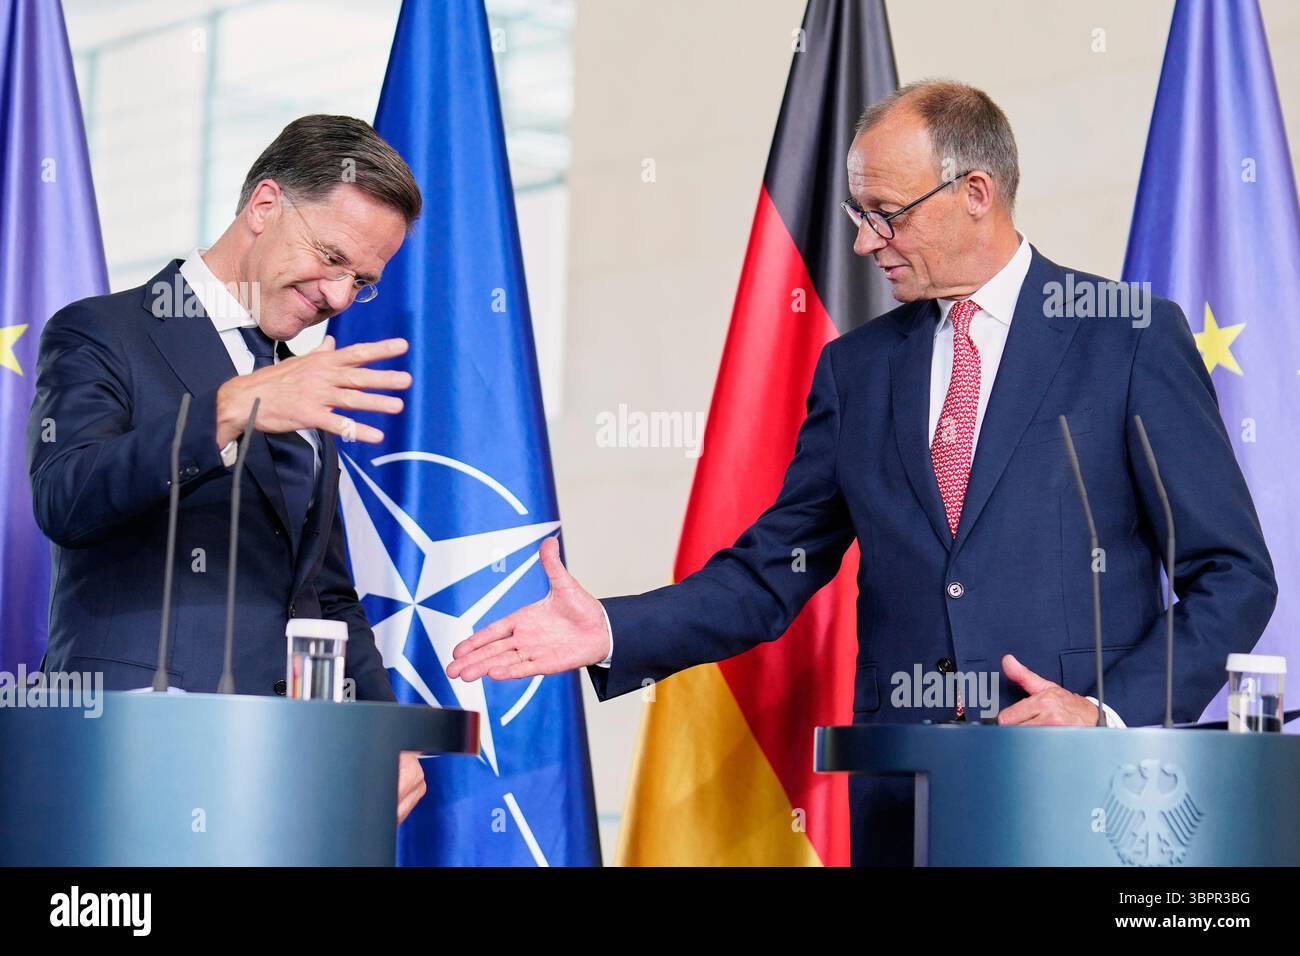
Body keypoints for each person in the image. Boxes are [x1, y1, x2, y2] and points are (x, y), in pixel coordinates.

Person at [446, 81, 1278, 864]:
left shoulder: (1127, 336)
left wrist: (1105, 715)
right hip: (901, 797)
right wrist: (617, 629)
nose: (861, 242)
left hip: (1086, 794)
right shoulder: (858, 369)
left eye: (885, 215)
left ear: (976, 194)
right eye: (857, 212)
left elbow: (1232, 575)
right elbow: (775, 569)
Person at [28, 114, 427, 823]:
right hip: (133, 757)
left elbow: (327, 596)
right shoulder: (103, 331)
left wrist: (380, 730)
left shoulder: (305, 382)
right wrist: (229, 407)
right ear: (265, 205)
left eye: (360, 280)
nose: (338, 297)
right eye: (332, 257)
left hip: (285, 775)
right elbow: (67, 498)